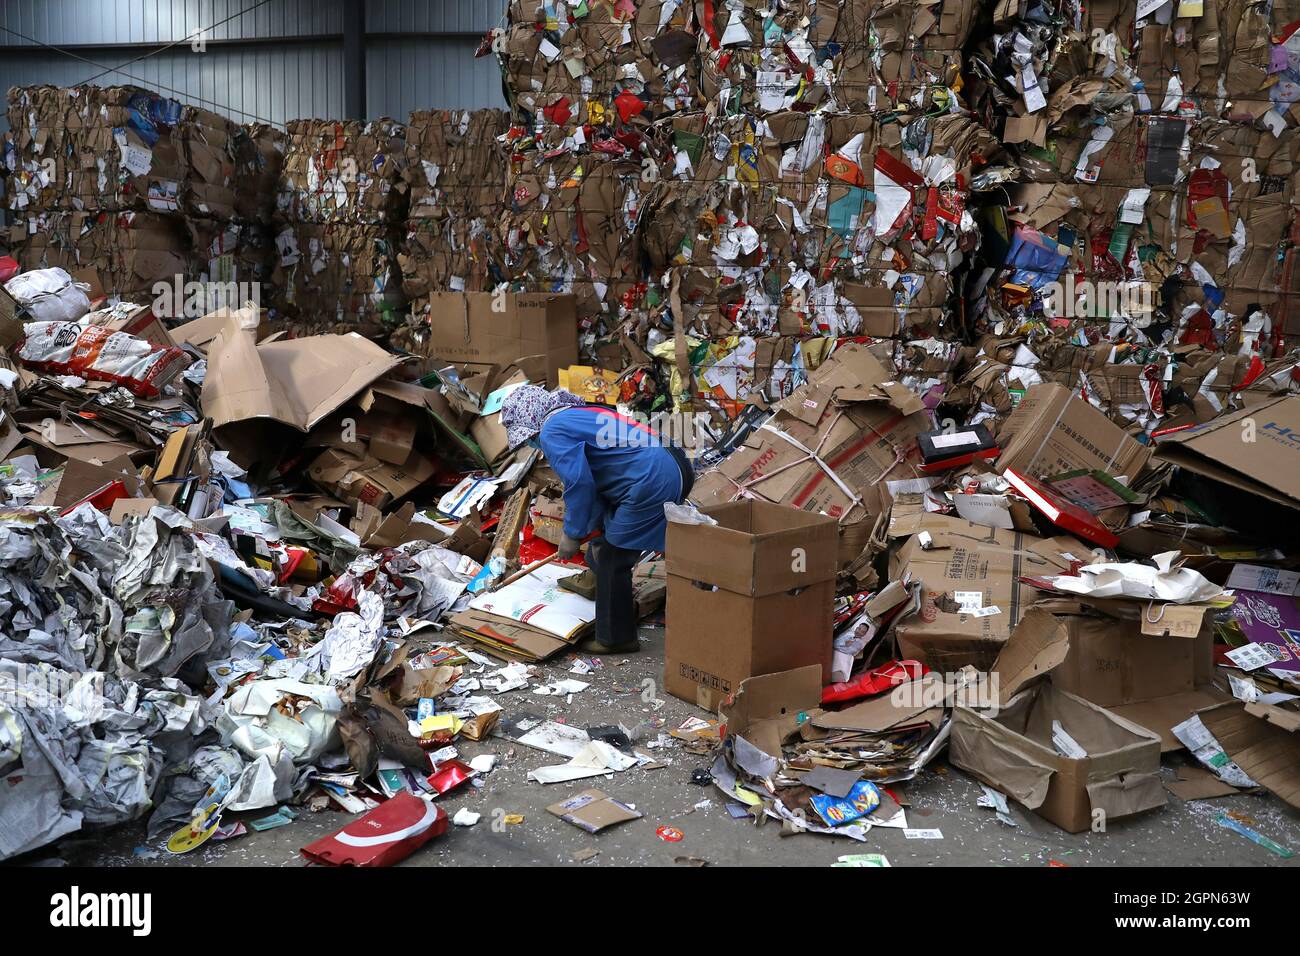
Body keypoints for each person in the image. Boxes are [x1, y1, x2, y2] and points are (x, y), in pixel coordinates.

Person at [500, 385, 693, 654]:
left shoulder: (551, 430)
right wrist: (587, 527)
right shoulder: (576, 412)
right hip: (672, 464)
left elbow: (579, 483)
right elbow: (599, 478)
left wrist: (572, 532)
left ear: (529, 421)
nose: (531, 442)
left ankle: (616, 638)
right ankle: (595, 580)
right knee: (605, 534)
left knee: (613, 558)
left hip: (650, 478)